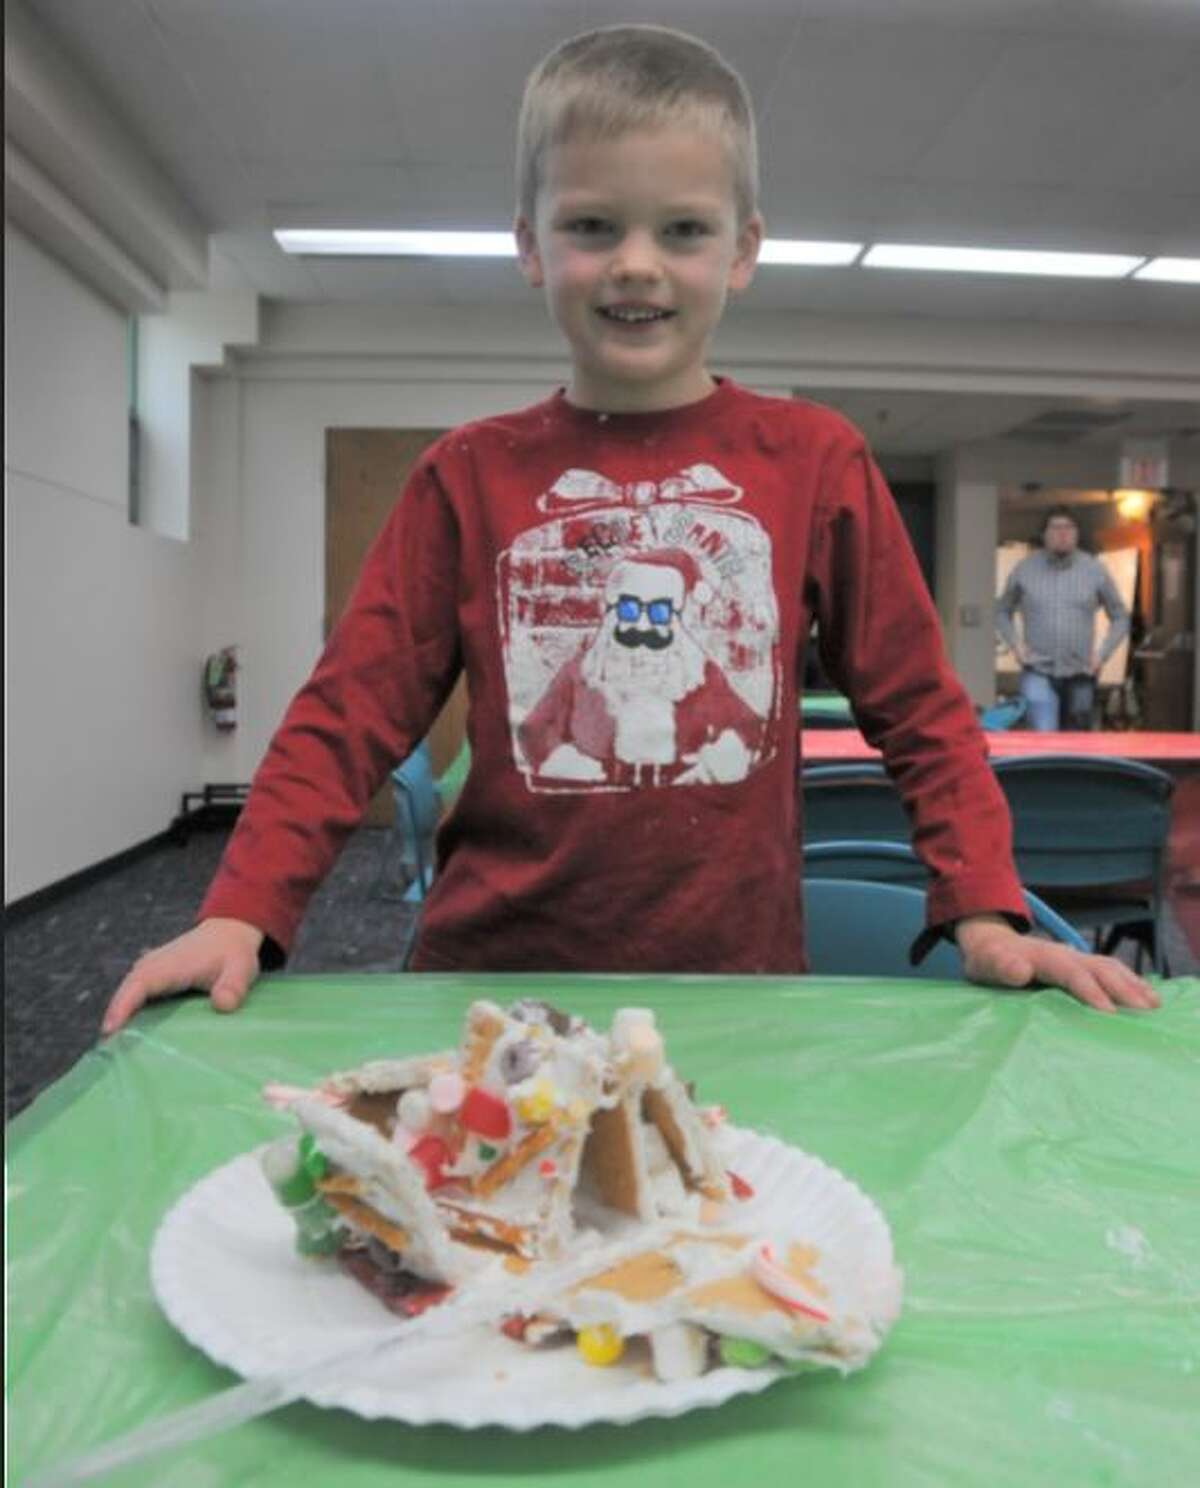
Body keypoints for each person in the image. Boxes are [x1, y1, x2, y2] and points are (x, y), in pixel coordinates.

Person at [104, 25, 1156, 1033]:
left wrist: (983, 902)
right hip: (488, 985)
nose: (637, 264)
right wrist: (240, 910)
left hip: (734, 995)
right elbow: (348, 713)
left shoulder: (814, 461)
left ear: (742, 251)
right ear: (530, 246)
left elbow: (923, 709)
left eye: (684, 229)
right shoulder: (467, 476)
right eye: (593, 226)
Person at [996, 506, 1130, 731]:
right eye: (1056, 528)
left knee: (1075, 744)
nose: (1062, 533)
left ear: (1077, 534)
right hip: (1037, 668)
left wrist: (1102, 654)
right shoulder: (1025, 569)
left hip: (1081, 671)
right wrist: (1016, 645)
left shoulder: (1095, 570)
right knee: (1044, 735)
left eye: (1068, 528)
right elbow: (1001, 610)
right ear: (1044, 534)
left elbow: (1120, 616)